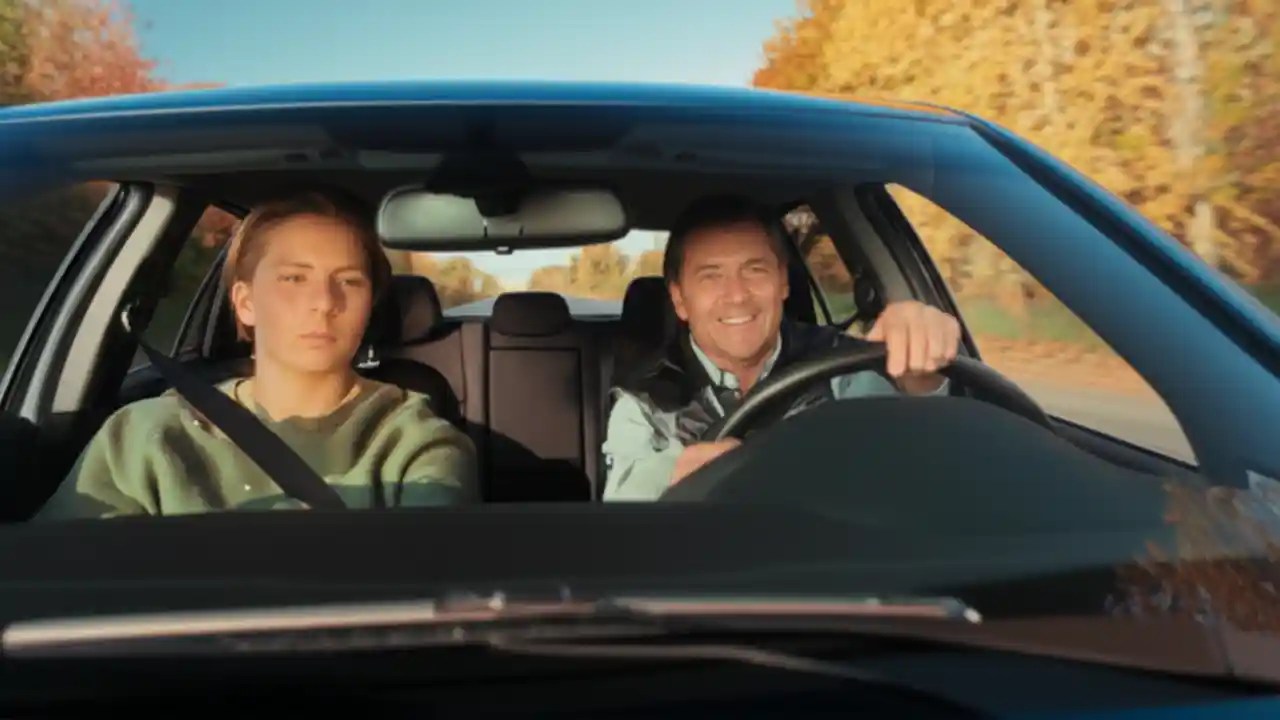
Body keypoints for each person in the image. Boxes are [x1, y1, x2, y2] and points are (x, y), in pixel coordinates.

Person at [37, 191, 478, 518]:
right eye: (293, 279)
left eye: (349, 281)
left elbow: (429, 576)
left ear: (369, 305)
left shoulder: (413, 441)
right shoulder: (142, 436)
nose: (324, 301)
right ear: (245, 303)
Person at [601, 195, 962, 501]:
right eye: (711, 276)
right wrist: (676, 482)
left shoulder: (842, 365)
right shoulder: (644, 398)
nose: (737, 295)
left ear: (783, 283)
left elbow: (913, 459)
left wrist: (923, 375)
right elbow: (625, 514)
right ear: (680, 300)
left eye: (755, 270)